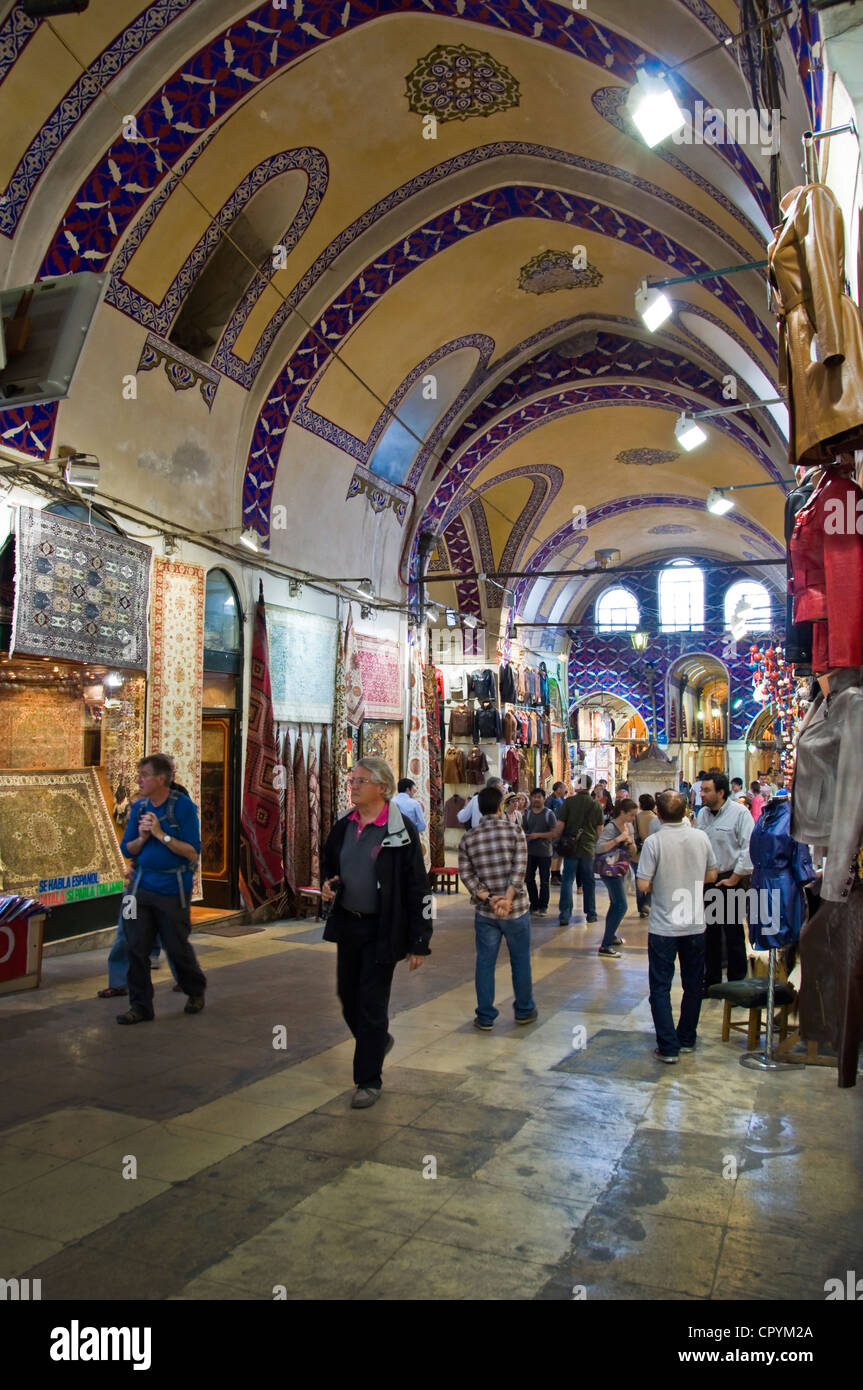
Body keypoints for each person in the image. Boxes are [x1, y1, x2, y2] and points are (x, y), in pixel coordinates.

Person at [321, 757, 430, 1108]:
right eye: (351, 779)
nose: (352, 785)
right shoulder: (344, 826)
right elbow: (330, 865)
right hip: (349, 924)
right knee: (346, 996)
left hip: (383, 929)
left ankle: (368, 1079)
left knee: (370, 1003)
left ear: (382, 788)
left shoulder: (400, 831)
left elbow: (418, 888)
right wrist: (329, 884)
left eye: (360, 781)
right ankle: (377, 1040)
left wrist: (420, 941)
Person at [117, 755, 206, 1024]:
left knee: (176, 946)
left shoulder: (183, 808)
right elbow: (127, 849)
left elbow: (192, 852)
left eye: (145, 774)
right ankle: (141, 1006)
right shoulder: (139, 808)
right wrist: (143, 837)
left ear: (162, 779)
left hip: (171, 889)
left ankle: (194, 989)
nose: (140, 780)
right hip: (139, 890)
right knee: (135, 946)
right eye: (139, 774)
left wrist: (160, 834)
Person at [636, 791, 719, 1063]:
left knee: (660, 987)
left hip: (664, 926)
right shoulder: (701, 837)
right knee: (693, 984)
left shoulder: (654, 842)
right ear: (686, 812)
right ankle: (686, 1039)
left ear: (658, 815)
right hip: (694, 923)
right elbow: (711, 874)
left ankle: (668, 1046)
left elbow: (643, 884)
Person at [98, 754, 186, 998]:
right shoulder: (141, 802)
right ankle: (119, 981)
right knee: (126, 931)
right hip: (138, 882)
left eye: (146, 775)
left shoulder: (179, 801)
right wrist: (132, 864)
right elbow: (133, 840)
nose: (141, 780)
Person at [458, 784, 537, 1029]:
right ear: (501, 806)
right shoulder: (515, 832)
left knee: (485, 962)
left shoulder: (469, 838)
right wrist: (508, 898)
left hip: (486, 912)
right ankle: (524, 1010)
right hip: (516, 910)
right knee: (520, 960)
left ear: (480, 809)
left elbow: (466, 874)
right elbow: (519, 870)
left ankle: (485, 1016)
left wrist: (489, 898)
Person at [696, 772, 755, 994]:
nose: (702, 794)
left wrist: (735, 877)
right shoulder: (702, 814)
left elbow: (747, 848)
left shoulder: (740, 814)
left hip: (730, 879)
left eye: (706, 790)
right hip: (708, 880)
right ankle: (711, 981)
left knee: (733, 933)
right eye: (702, 790)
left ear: (721, 792)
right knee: (709, 933)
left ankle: (736, 982)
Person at [555, 775, 604, 927]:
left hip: (571, 848)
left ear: (579, 786)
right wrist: (593, 843)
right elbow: (599, 830)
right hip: (588, 848)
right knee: (589, 881)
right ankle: (591, 914)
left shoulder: (568, 802)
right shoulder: (596, 805)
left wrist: (558, 839)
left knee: (567, 881)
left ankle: (565, 914)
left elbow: (560, 826)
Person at [594, 798, 638, 958]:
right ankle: (605, 946)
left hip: (620, 868)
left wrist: (630, 842)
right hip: (609, 870)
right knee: (621, 905)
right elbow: (598, 848)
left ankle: (611, 935)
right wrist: (618, 840)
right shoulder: (611, 827)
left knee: (615, 904)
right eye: (631, 815)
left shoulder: (629, 827)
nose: (633, 818)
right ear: (622, 813)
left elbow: (633, 850)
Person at [523, 787, 559, 916]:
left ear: (544, 799)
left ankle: (543, 906)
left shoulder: (549, 814)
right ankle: (534, 904)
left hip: (544, 852)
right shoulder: (527, 814)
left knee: (544, 880)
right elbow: (524, 830)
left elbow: (554, 833)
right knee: (529, 879)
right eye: (534, 797)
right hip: (530, 852)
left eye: (539, 797)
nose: (536, 799)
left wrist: (538, 835)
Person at [634, 793, 660, 917]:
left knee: (638, 880)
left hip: (637, 853)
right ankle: (647, 903)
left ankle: (640, 907)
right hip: (651, 853)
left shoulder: (636, 817)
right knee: (653, 880)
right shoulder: (655, 818)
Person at [546, 782, 567, 885]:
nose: (565, 790)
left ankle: (558, 873)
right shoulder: (550, 800)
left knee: (560, 852)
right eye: (563, 788)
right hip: (554, 829)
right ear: (558, 789)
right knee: (555, 853)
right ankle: (553, 874)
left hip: (562, 829)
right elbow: (547, 815)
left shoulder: (563, 800)